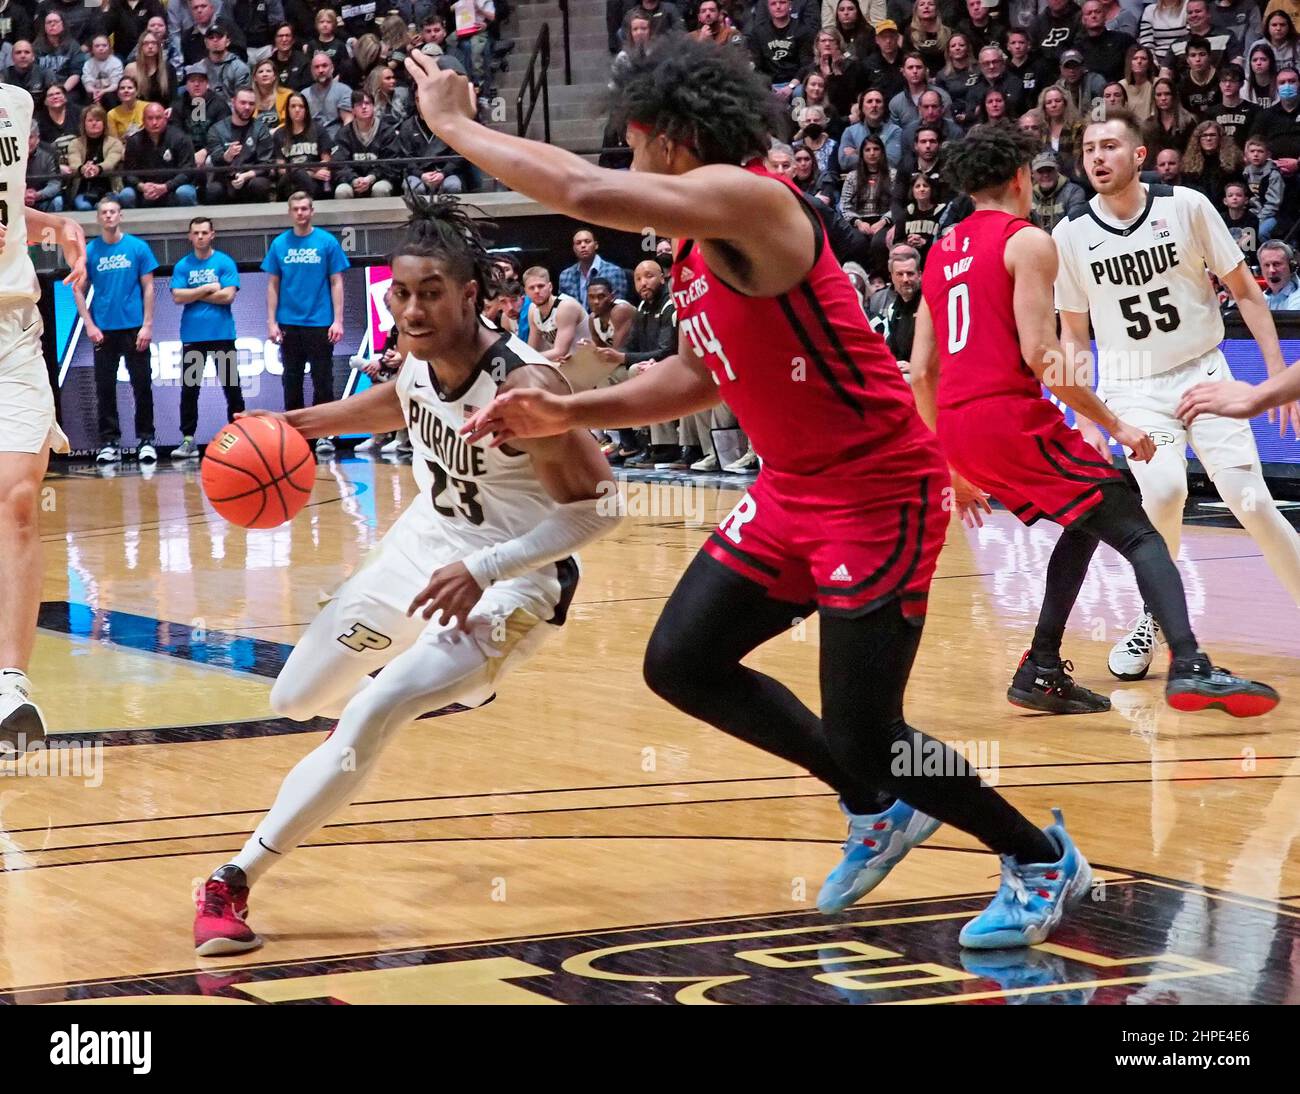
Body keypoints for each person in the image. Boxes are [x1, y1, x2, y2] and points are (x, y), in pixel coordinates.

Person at [437, 38, 1100, 948]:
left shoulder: (752, 198)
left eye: (632, 149)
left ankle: (1039, 859)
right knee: (682, 662)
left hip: (877, 490)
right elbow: (697, 376)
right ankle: (879, 807)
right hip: (793, 491)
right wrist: (567, 412)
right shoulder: (698, 250)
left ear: (661, 138)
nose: (629, 168)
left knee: (869, 729)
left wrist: (455, 123)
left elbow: (583, 194)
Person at [192, 195, 622, 955]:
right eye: (402, 293)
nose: (413, 309)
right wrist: (301, 426)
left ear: (471, 296)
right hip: (422, 546)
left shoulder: (529, 389)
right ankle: (426, 675)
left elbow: (606, 509)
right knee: (295, 698)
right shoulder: (419, 357)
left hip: (511, 581)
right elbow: (403, 399)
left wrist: (485, 566)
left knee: (374, 711)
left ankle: (234, 878)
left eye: (430, 294)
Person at [910, 121, 1279, 721]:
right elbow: (1042, 356)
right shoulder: (1025, 241)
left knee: (1082, 521)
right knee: (1139, 533)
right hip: (1009, 419)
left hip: (957, 427)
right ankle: (1190, 664)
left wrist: (947, 464)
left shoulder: (937, 251)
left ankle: (1042, 668)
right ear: (1019, 178)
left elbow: (921, 371)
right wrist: (1117, 424)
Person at [1052, 107, 1300, 680]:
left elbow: (1248, 293)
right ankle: (1154, 617)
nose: (1097, 157)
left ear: (1139, 156)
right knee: (1162, 494)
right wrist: (1084, 414)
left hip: (1204, 372)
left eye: (1110, 146)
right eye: (1089, 148)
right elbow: (1071, 332)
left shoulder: (1185, 207)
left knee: (1255, 503)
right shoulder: (1070, 234)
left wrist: (1273, 377)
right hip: (1132, 386)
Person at [0, 81, 86, 751]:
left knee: (21, 499)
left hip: (13, 333)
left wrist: (52, 225)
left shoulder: (17, 103)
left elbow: (7, 207)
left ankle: (9, 688)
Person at [72, 196, 158, 465]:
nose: (109, 216)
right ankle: (110, 443)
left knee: (142, 386)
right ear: (98, 218)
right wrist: (89, 323)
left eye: (113, 212)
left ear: (120, 216)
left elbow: (149, 288)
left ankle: (146, 440)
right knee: (105, 389)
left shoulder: (138, 248)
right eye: (104, 213)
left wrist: (147, 324)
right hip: (104, 332)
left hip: (134, 329)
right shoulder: (91, 251)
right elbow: (77, 288)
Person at [263, 191, 349, 455]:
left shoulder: (326, 242)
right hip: (289, 323)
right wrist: (271, 322)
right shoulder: (279, 244)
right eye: (296, 209)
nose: (300, 213)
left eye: (304, 208)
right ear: (290, 213)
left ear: (312, 211)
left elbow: (336, 282)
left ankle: (324, 434)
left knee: (323, 380)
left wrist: (338, 320)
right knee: (291, 380)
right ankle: (295, 435)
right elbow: (273, 285)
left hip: (320, 322)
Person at [170, 216, 245, 459]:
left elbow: (227, 297)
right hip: (193, 337)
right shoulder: (183, 266)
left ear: (212, 234)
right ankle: (188, 440)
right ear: (190, 236)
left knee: (231, 388)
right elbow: (177, 297)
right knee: (190, 389)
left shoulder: (224, 262)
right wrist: (207, 288)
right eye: (196, 233)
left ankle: (239, 436)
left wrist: (194, 294)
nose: (200, 236)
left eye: (204, 232)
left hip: (222, 335)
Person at [120, 100, 199, 208]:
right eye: (150, 118)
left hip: (174, 187)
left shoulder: (180, 138)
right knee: (126, 195)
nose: (154, 122)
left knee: (185, 193)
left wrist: (166, 186)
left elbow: (187, 171)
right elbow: (128, 173)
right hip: (144, 190)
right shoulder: (134, 141)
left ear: (165, 119)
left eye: (158, 118)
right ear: (143, 120)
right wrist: (142, 186)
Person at [523, 266, 590, 362]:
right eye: (531, 288)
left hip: (587, 362)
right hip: (563, 363)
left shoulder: (566, 306)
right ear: (526, 291)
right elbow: (532, 349)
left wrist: (526, 359)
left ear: (550, 287)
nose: (537, 291)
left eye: (541, 286)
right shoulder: (532, 310)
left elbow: (560, 351)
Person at [558, 228, 629, 307]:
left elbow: (618, 306)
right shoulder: (565, 275)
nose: (583, 245)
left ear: (596, 245)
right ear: (574, 248)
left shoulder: (614, 272)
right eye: (578, 243)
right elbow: (562, 307)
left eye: (587, 241)